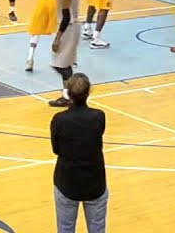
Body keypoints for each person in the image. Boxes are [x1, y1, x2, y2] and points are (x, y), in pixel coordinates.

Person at [51, 72, 107, 233]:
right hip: (94, 182)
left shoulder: (59, 119)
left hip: (67, 182)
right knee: (97, 228)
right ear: (88, 93)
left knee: (65, 228)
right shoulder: (98, 116)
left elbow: (56, 149)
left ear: (68, 94)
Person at [49, 0, 83, 107]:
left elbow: (66, 17)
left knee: (61, 65)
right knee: (63, 65)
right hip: (69, 27)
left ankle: (69, 96)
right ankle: (69, 95)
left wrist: (57, 37)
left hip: (68, 28)